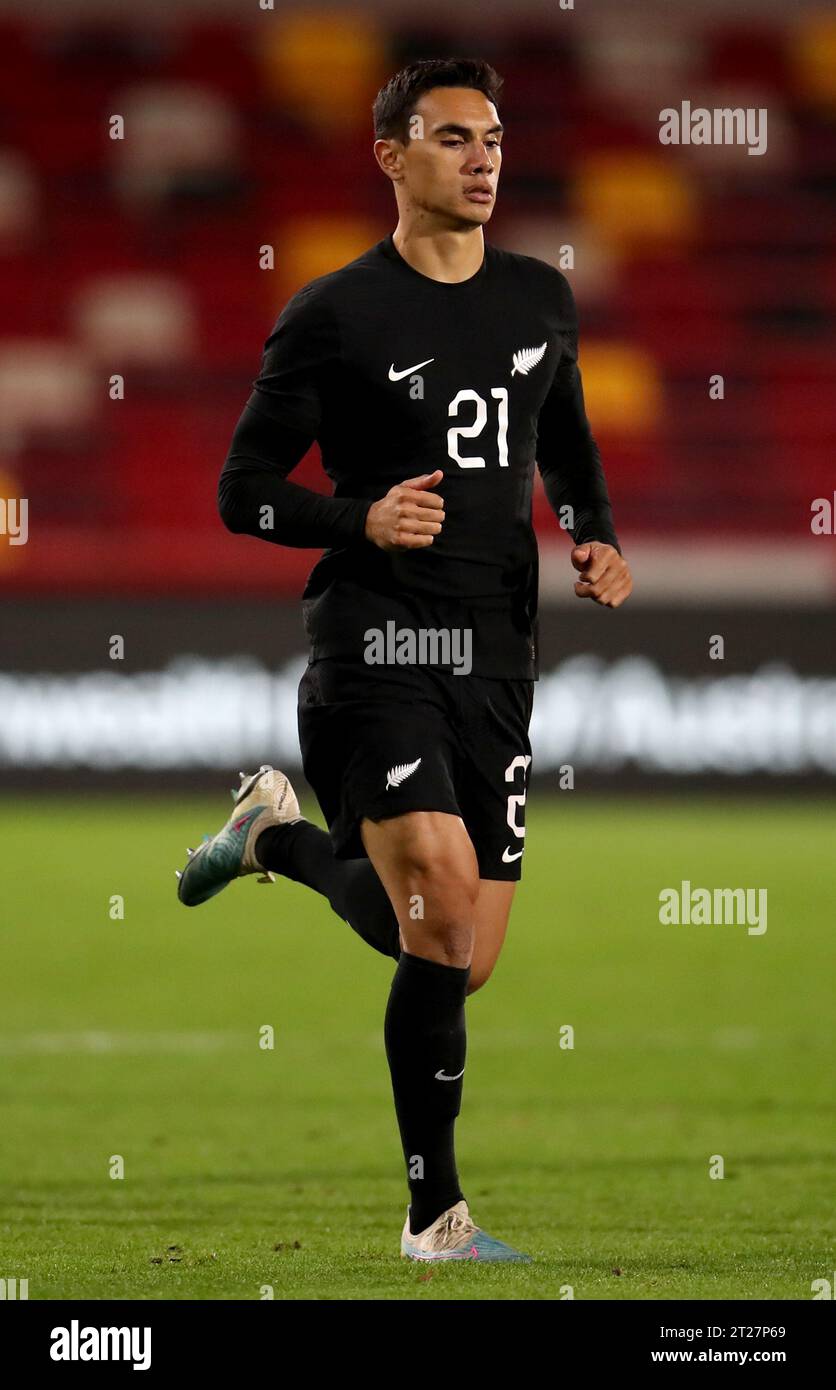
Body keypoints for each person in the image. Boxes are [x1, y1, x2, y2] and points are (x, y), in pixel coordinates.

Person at [176, 57, 632, 1262]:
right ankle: (435, 1218)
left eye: (492, 138)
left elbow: (566, 445)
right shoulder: (334, 313)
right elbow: (241, 493)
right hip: (373, 647)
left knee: (459, 954)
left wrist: (592, 536)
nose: (481, 159)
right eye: (450, 138)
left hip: (497, 657)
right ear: (389, 155)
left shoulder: (540, 298)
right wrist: (359, 518)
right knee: (434, 890)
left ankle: (272, 835)